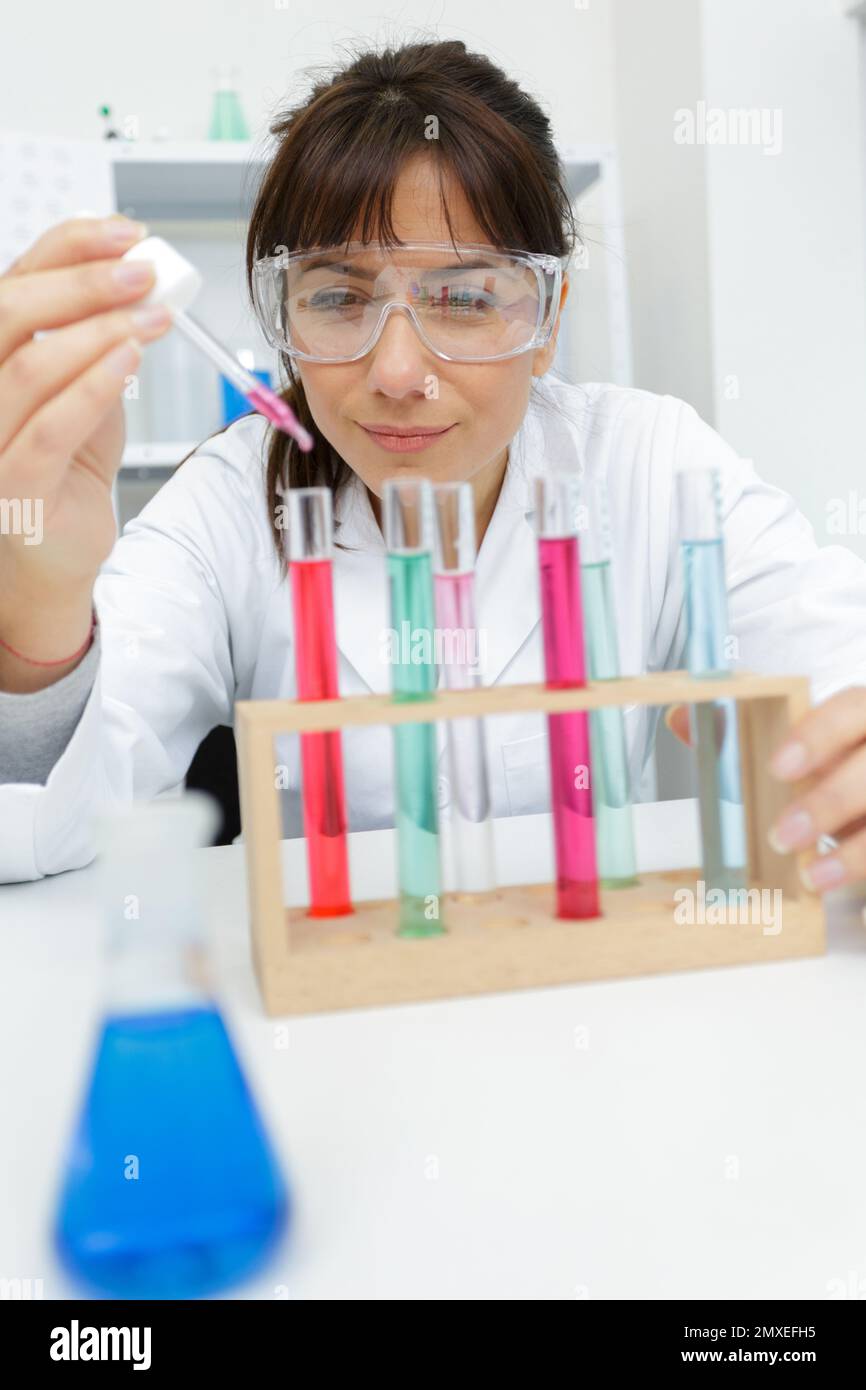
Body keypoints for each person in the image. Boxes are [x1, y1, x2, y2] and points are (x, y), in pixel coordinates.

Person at [1, 39, 865, 891]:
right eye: (339, 298)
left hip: (603, 989)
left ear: (548, 316)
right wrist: (38, 603)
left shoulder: (646, 460)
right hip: (338, 1000)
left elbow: (835, 666)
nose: (397, 374)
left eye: (463, 298)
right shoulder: (230, 497)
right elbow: (59, 825)